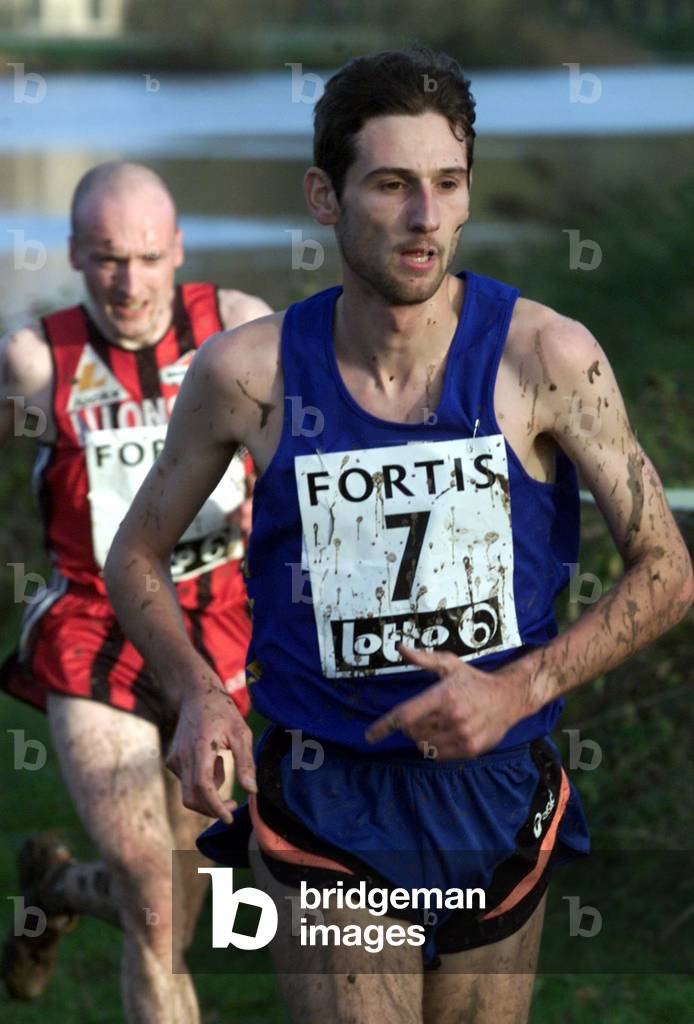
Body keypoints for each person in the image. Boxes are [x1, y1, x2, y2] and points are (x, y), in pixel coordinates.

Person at [104, 50, 693, 1024]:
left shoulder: (546, 357)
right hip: (326, 792)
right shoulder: (248, 373)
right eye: (390, 185)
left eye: (447, 184)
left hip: (496, 792)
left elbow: (667, 570)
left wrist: (517, 690)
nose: (425, 217)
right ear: (323, 197)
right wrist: (200, 693)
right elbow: (135, 554)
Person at [0, 161, 271, 1023]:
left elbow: (310, 446)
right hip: (92, 630)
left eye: (148, 258)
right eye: (109, 258)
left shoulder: (238, 328)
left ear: (178, 249)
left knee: (180, 896)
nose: (129, 282)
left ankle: (56, 890)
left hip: (217, 628)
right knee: (153, 895)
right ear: (75, 254)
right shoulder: (35, 360)